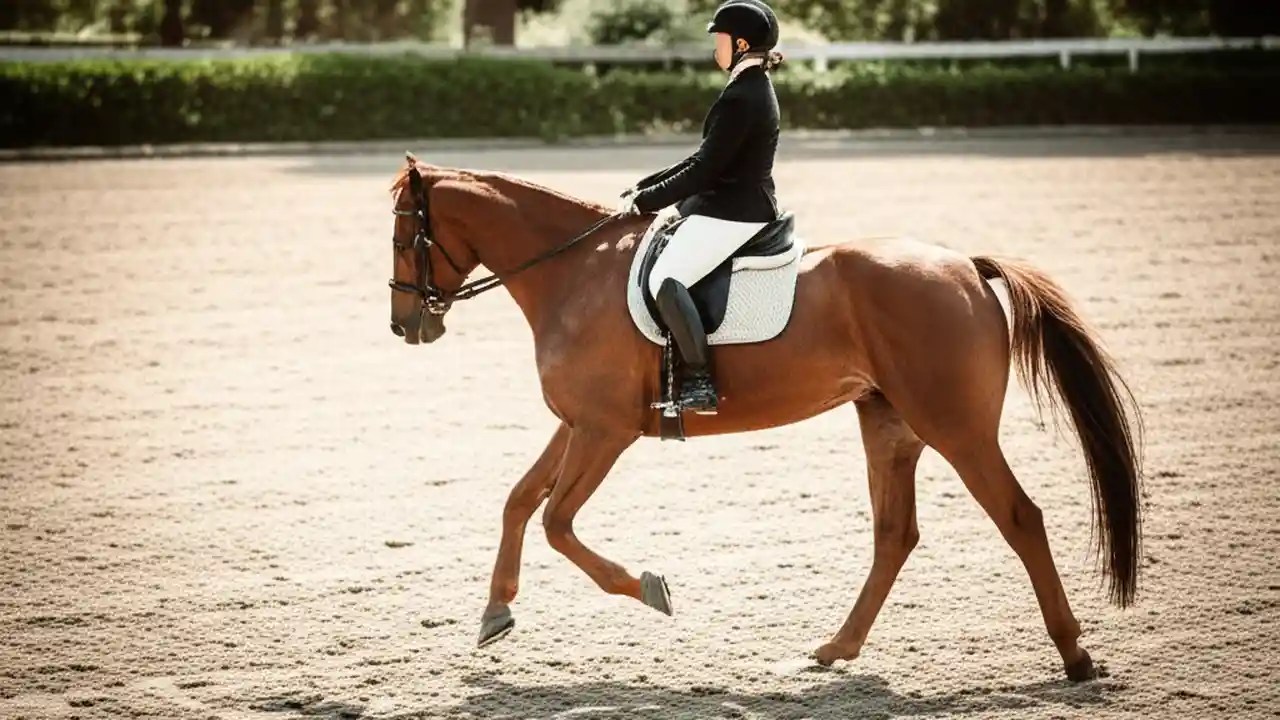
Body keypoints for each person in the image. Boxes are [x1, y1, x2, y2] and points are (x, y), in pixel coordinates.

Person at [617, 0, 784, 415]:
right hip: (730, 203)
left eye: (720, 39)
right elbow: (704, 157)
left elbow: (705, 170)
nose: (715, 48)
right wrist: (646, 187)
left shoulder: (743, 96)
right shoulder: (749, 87)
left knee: (667, 277)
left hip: (735, 211)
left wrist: (647, 201)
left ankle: (699, 380)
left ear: (741, 44)